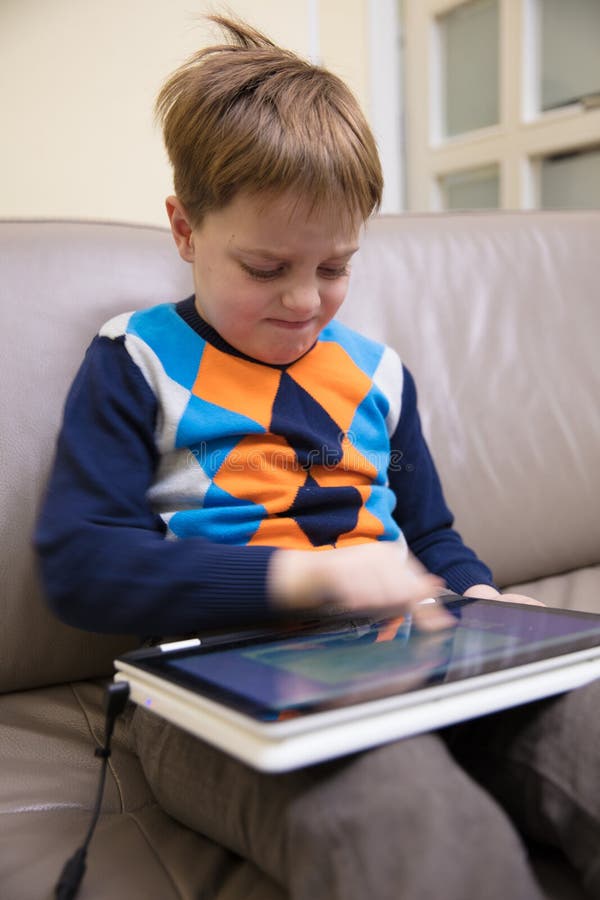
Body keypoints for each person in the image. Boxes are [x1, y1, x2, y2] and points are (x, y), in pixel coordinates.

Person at [35, 16, 599, 900]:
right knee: (404, 812)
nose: (305, 302)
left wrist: (481, 598)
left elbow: (431, 536)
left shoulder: (377, 374)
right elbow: (81, 565)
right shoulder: (133, 360)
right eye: (266, 268)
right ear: (184, 230)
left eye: (335, 267)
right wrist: (309, 579)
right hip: (221, 679)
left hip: (418, 652)